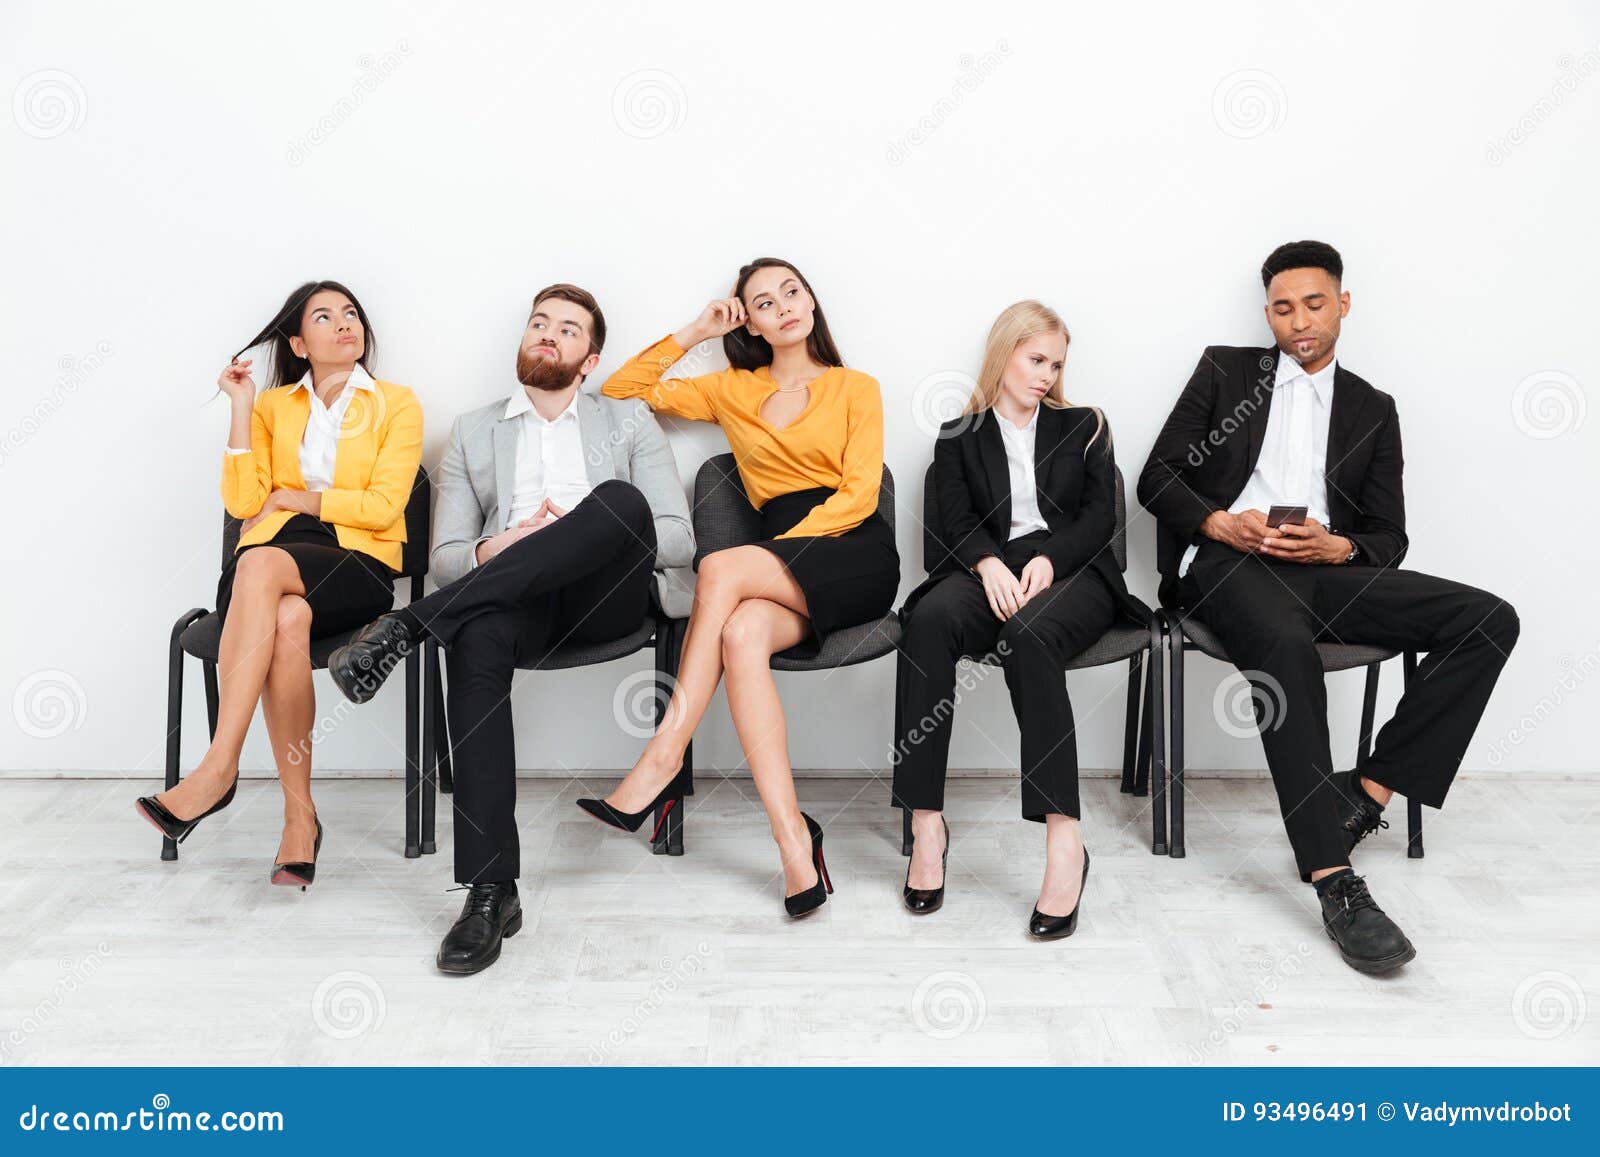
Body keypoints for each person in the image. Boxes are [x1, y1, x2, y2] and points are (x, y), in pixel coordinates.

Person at [1137, 240, 1519, 974]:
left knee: (1488, 619)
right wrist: (1221, 522)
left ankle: (1366, 792)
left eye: (1314, 304)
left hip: (1323, 569)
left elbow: (1388, 535)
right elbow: (1157, 477)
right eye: (1283, 308)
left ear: (1343, 303)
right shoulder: (1225, 371)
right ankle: (1334, 880)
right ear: (1268, 313)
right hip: (1228, 562)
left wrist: (1338, 547)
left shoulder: (1374, 409)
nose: (1299, 321)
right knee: (1285, 643)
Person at [327, 283, 693, 975]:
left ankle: (405, 629)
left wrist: (580, 530)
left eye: (567, 329)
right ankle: (492, 888)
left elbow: (673, 535)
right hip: (510, 595)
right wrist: (505, 547)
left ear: (590, 358)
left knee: (615, 500)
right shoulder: (473, 430)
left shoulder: (630, 420)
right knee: (475, 637)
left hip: (602, 596)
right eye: (538, 323)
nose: (547, 335)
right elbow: (445, 559)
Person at [581, 257, 899, 918]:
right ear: (748, 320)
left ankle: (663, 757)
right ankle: (794, 845)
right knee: (739, 630)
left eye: (792, 290)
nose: (783, 304)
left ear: (811, 300)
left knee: (719, 566)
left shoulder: (855, 387)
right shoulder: (732, 390)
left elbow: (861, 492)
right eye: (763, 301)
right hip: (779, 567)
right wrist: (696, 330)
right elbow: (616, 394)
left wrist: (781, 551)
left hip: (853, 549)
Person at [136, 280, 423, 891]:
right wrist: (240, 407)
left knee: (260, 565)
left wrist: (299, 497)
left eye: (351, 314)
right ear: (298, 341)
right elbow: (244, 501)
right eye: (325, 317)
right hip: (268, 574)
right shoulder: (272, 407)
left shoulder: (397, 403)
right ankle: (300, 819)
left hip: (356, 564)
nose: (345, 324)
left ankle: (218, 768)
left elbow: (384, 505)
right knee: (286, 615)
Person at [893, 301, 1149, 938]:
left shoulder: (1085, 426)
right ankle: (928, 826)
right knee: (926, 622)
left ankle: (1065, 840)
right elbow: (954, 519)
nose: (1046, 374)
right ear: (1004, 353)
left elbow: (1098, 519)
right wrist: (986, 563)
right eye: (1036, 359)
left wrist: (1049, 559)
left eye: (1056, 363)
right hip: (991, 572)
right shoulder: (958, 434)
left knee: (1028, 635)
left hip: (1076, 575)